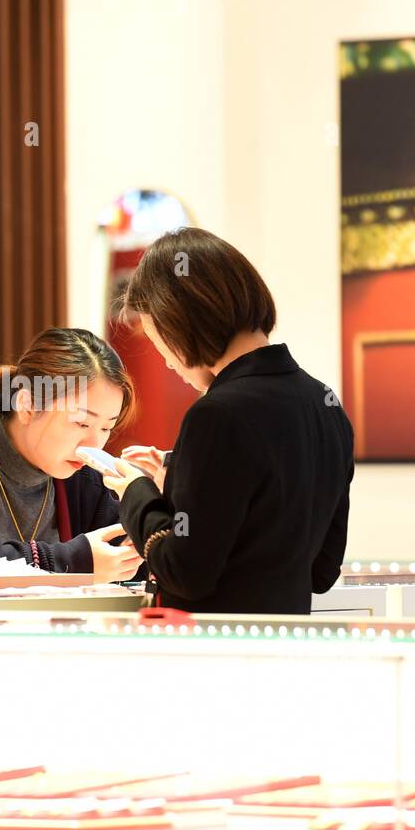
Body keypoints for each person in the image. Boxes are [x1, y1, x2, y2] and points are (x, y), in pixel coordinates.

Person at [101, 227, 354, 614]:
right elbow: (322, 570)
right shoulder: (327, 405)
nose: (168, 363)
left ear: (180, 320)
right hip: (292, 647)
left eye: (159, 342)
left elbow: (185, 571)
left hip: (217, 653)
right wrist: (179, 483)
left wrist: (137, 493)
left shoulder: (217, 415)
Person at [0, 327, 143, 582]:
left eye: (107, 427)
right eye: (81, 423)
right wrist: (69, 560)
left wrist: (148, 509)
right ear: (27, 406)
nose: (94, 444)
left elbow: (145, 562)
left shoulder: (84, 479)